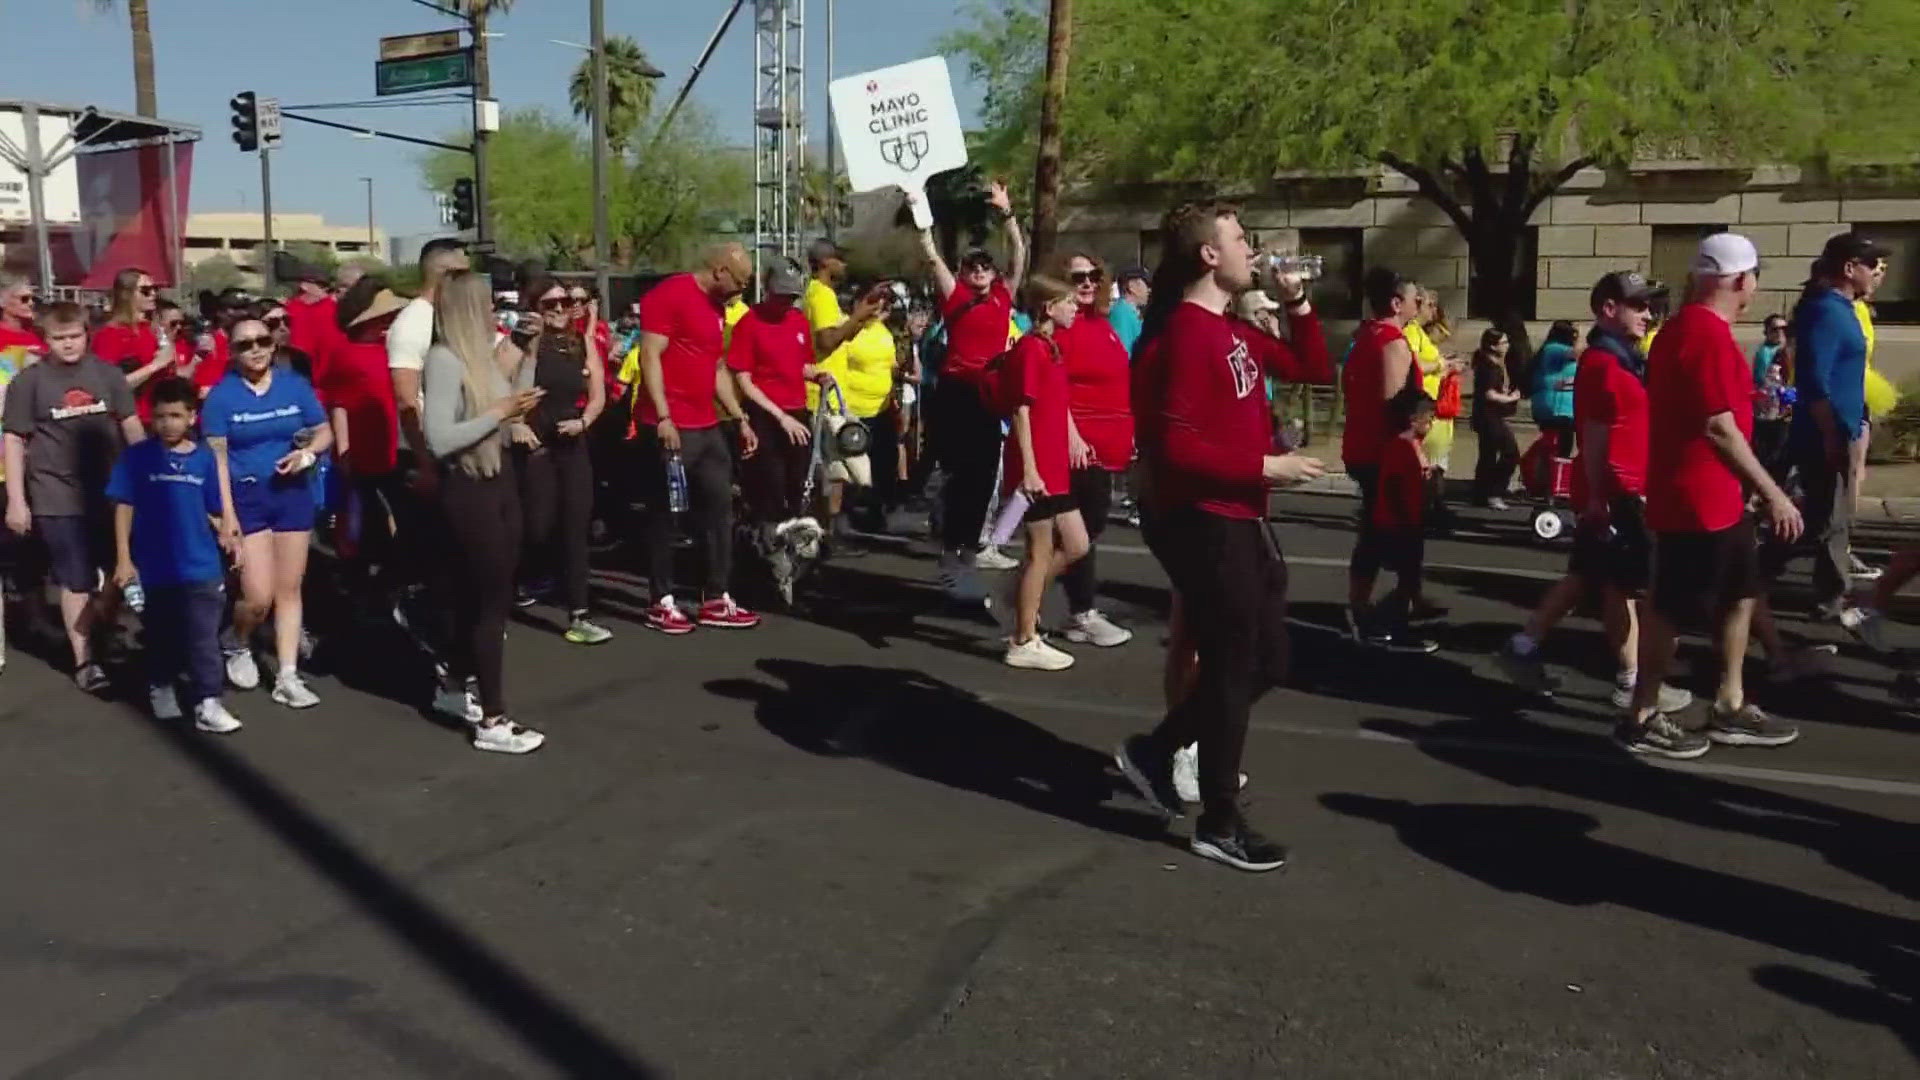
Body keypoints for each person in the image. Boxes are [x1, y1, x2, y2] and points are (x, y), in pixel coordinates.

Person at [1116, 200, 1331, 874]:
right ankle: (1217, 819)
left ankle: (1158, 751)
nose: (1253, 249)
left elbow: (1310, 366)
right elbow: (1175, 447)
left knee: (1269, 661)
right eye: (1241, 239)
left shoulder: (1231, 328)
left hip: (1242, 515)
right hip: (1203, 519)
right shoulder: (1183, 334)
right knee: (1235, 666)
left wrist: (1298, 304)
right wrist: (1268, 465)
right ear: (1209, 255)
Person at [1626, 233, 1803, 758]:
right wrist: (1772, 492)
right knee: (1671, 610)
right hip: (1694, 501)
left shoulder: (1694, 330)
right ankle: (1640, 714)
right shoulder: (1702, 334)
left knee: (1741, 595)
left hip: (1721, 497)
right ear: (1742, 281)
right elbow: (1718, 428)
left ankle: (1729, 703)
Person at [1497, 271, 1691, 714]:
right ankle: (1631, 682)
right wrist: (1610, 499)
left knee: (1592, 580)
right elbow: (1598, 434)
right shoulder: (1605, 363)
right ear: (1608, 308)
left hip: (1613, 491)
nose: (1648, 314)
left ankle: (1525, 648)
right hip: (1616, 494)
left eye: (1650, 306)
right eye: (1638, 305)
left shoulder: (1622, 358)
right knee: (1628, 587)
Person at [422, 269, 547, 753]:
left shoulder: (480, 357)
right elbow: (438, 437)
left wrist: (528, 357)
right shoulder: (444, 359)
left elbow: (514, 404)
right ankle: (494, 720)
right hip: (468, 488)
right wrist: (499, 413)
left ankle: (454, 687)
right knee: (491, 606)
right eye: (487, 302)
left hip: (500, 480)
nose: (496, 308)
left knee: (488, 597)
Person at [3, 301, 144, 691]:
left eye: (74, 336)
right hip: (55, 494)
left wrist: (152, 475)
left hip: (109, 491)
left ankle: (101, 623)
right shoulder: (29, 382)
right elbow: (15, 440)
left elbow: (131, 425)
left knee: (120, 571)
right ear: (45, 340)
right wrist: (18, 500)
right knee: (75, 578)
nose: (67, 344)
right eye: (58, 338)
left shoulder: (107, 375)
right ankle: (85, 660)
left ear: (87, 335)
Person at [632, 243, 762, 634]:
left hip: (706, 424)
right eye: (740, 281)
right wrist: (664, 417)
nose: (742, 290)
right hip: (670, 422)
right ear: (720, 270)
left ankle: (716, 597)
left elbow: (716, 366)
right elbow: (649, 356)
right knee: (668, 512)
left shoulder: (717, 307)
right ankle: (661, 601)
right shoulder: (669, 295)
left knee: (719, 506)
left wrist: (740, 417)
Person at [203, 318, 331, 709]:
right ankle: (237, 641)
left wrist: (307, 454)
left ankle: (288, 676)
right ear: (232, 352)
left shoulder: (294, 385)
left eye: (263, 340)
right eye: (245, 344)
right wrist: (226, 516)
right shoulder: (221, 398)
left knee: (289, 589)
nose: (256, 349)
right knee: (257, 596)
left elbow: (324, 429)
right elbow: (217, 461)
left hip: (292, 495)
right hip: (247, 499)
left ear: (274, 344)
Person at [107, 376, 242, 732]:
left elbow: (215, 508)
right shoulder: (137, 457)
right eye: (161, 416)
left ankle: (208, 701)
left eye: (176, 416)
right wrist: (124, 557)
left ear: (192, 417)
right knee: (162, 633)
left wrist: (230, 535)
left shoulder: (204, 459)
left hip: (201, 566)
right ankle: (161, 684)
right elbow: (124, 505)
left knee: (203, 638)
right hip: (155, 567)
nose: (168, 423)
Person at [913, 182, 1028, 598]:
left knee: (984, 476)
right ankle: (948, 553)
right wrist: (919, 213)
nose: (979, 271)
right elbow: (931, 256)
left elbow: (1019, 258)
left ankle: (964, 555)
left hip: (989, 393)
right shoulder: (955, 294)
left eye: (985, 266)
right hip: (956, 392)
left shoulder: (1003, 296)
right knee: (958, 475)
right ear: (963, 273)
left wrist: (1007, 213)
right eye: (972, 266)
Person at [386, 238, 481, 726]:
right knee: (446, 575)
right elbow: (408, 402)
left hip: (467, 460)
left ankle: (462, 667)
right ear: (440, 274)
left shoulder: (459, 321)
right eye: (462, 272)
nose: (470, 281)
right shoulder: (413, 324)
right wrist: (424, 464)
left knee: (471, 573)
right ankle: (447, 677)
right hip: (431, 461)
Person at [502, 275, 611, 645]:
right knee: (536, 527)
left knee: (576, 527)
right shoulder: (522, 343)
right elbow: (500, 386)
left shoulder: (582, 343)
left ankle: (579, 614)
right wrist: (515, 423)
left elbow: (598, 393)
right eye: (552, 304)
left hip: (572, 442)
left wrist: (585, 421)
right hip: (535, 444)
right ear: (536, 308)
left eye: (567, 302)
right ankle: (507, 589)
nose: (563, 309)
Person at [992, 275, 1092, 670]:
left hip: (1055, 466)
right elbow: (1021, 409)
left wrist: (1074, 438)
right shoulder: (1031, 349)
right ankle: (1023, 638)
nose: (1075, 308)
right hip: (1036, 470)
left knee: (1077, 544)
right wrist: (1029, 469)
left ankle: (1016, 597)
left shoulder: (1051, 348)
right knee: (1040, 552)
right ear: (1049, 308)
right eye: (1068, 302)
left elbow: (1057, 404)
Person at [1786, 231, 1884, 616]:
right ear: (1849, 268)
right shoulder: (1825, 310)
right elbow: (1813, 380)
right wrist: (1830, 435)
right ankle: (1752, 580)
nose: (1878, 272)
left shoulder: (1844, 308)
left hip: (1842, 428)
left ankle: (1831, 592)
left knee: (1830, 517)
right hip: (1823, 435)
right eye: (1871, 265)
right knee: (1823, 519)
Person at [730, 257, 831, 603]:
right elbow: (744, 379)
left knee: (800, 490)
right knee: (769, 490)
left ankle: (797, 563)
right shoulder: (749, 323)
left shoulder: (798, 322)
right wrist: (778, 416)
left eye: (791, 297)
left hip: (797, 414)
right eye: (780, 295)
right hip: (765, 418)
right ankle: (769, 563)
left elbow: (798, 365)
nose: (786, 303)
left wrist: (816, 374)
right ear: (767, 290)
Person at [1342, 267, 1428, 651]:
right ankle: (1380, 616)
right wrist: (1415, 451)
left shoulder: (1366, 336)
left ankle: (1392, 605)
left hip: (1365, 448)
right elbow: (1397, 408)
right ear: (1396, 303)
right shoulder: (1390, 341)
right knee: (1395, 535)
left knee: (1379, 534)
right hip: (1385, 455)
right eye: (1414, 298)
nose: (1420, 304)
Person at [1054, 251, 1134, 648]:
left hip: (1109, 446)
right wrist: (1071, 435)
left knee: (1089, 530)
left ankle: (1045, 597)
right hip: (1079, 448)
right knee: (1079, 535)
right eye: (1077, 277)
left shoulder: (1102, 324)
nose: (1087, 283)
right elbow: (1055, 388)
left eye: (1093, 276)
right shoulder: (1060, 329)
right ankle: (1078, 611)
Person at [1370, 388, 1437, 639]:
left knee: (1410, 574)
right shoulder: (1401, 449)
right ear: (1413, 419)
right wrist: (1408, 519)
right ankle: (1383, 624)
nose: (1431, 423)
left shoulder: (1411, 446)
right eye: (1428, 418)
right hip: (1399, 524)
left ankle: (1407, 612)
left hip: (1409, 521)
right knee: (1404, 576)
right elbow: (1397, 488)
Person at [92, 267, 176, 420]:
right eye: (145, 290)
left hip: (161, 415)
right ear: (126, 294)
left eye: (155, 289)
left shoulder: (152, 329)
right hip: (133, 418)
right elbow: (105, 386)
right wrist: (155, 366)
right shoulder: (111, 334)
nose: (153, 295)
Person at [1468, 329, 1520, 509]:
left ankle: (1481, 494)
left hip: (1484, 416)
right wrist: (1510, 398)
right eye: (1503, 343)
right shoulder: (1489, 367)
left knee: (1487, 456)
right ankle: (1494, 491)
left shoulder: (1487, 364)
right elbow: (1489, 394)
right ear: (1492, 346)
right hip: (1490, 417)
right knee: (1510, 453)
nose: (1507, 346)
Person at [1529, 319, 1580, 454]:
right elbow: (1575, 354)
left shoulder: (1552, 350)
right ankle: (1552, 473)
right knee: (1560, 448)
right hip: (1556, 409)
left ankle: (1550, 472)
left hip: (1560, 409)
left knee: (1556, 446)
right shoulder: (1553, 348)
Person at [1109, 266, 1149, 356]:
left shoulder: (1130, 312)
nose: (1148, 290)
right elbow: (1123, 353)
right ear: (1132, 286)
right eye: (1146, 284)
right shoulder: (1122, 313)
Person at [1752, 313, 1787, 388]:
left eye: (1784, 328)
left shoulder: (1789, 347)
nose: (1780, 332)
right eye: (1775, 329)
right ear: (1766, 332)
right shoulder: (1765, 352)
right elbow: (1763, 380)